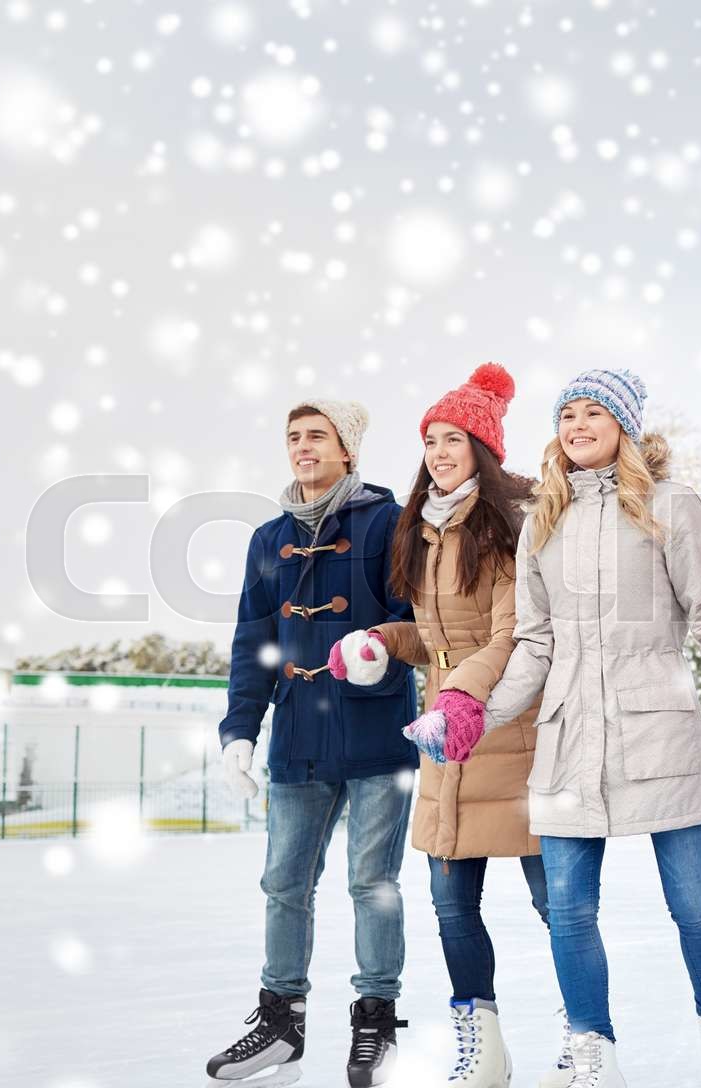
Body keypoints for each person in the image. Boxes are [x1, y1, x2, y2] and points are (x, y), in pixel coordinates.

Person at [451, 368, 701, 1088]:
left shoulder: (669, 506)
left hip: (657, 728)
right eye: (567, 414)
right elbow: (534, 644)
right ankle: (594, 1049)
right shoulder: (543, 519)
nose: (578, 425)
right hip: (568, 736)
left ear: (623, 425)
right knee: (568, 909)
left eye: (594, 412)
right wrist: (484, 711)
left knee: (693, 904)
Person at [332, 363, 557, 1088]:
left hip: (510, 736)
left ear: (482, 448)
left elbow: (508, 634)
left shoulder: (506, 529)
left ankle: (578, 1032)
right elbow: (436, 638)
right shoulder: (423, 531)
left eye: (452, 437)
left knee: (559, 905)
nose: (437, 450)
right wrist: (380, 643)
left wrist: (459, 694)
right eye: (429, 438)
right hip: (446, 748)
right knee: (452, 907)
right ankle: (482, 1046)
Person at [207, 398, 418, 1088]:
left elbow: (415, 618)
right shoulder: (268, 539)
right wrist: (241, 729)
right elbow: (255, 640)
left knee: (372, 882)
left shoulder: (388, 523)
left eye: (316, 435)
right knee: (283, 882)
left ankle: (375, 1020)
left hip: (376, 731)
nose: (302, 446)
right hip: (297, 735)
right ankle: (280, 1025)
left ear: (347, 450)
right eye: (293, 436)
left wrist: (380, 646)